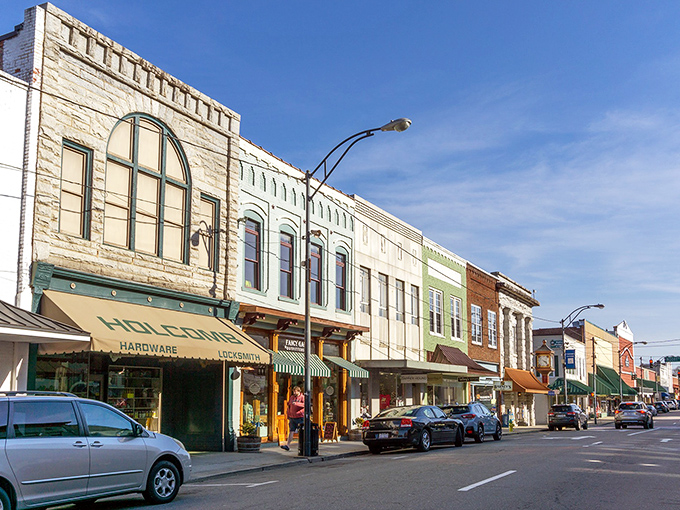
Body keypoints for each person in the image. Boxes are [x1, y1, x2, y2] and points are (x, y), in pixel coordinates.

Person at [281, 386, 304, 451]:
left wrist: (297, 404)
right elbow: (289, 406)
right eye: (293, 391)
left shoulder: (302, 397)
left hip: (300, 417)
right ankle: (287, 445)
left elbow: (305, 405)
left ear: (299, 391)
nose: (294, 392)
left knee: (301, 432)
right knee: (291, 431)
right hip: (292, 417)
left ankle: (302, 445)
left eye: (295, 391)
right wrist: (288, 415)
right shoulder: (291, 397)